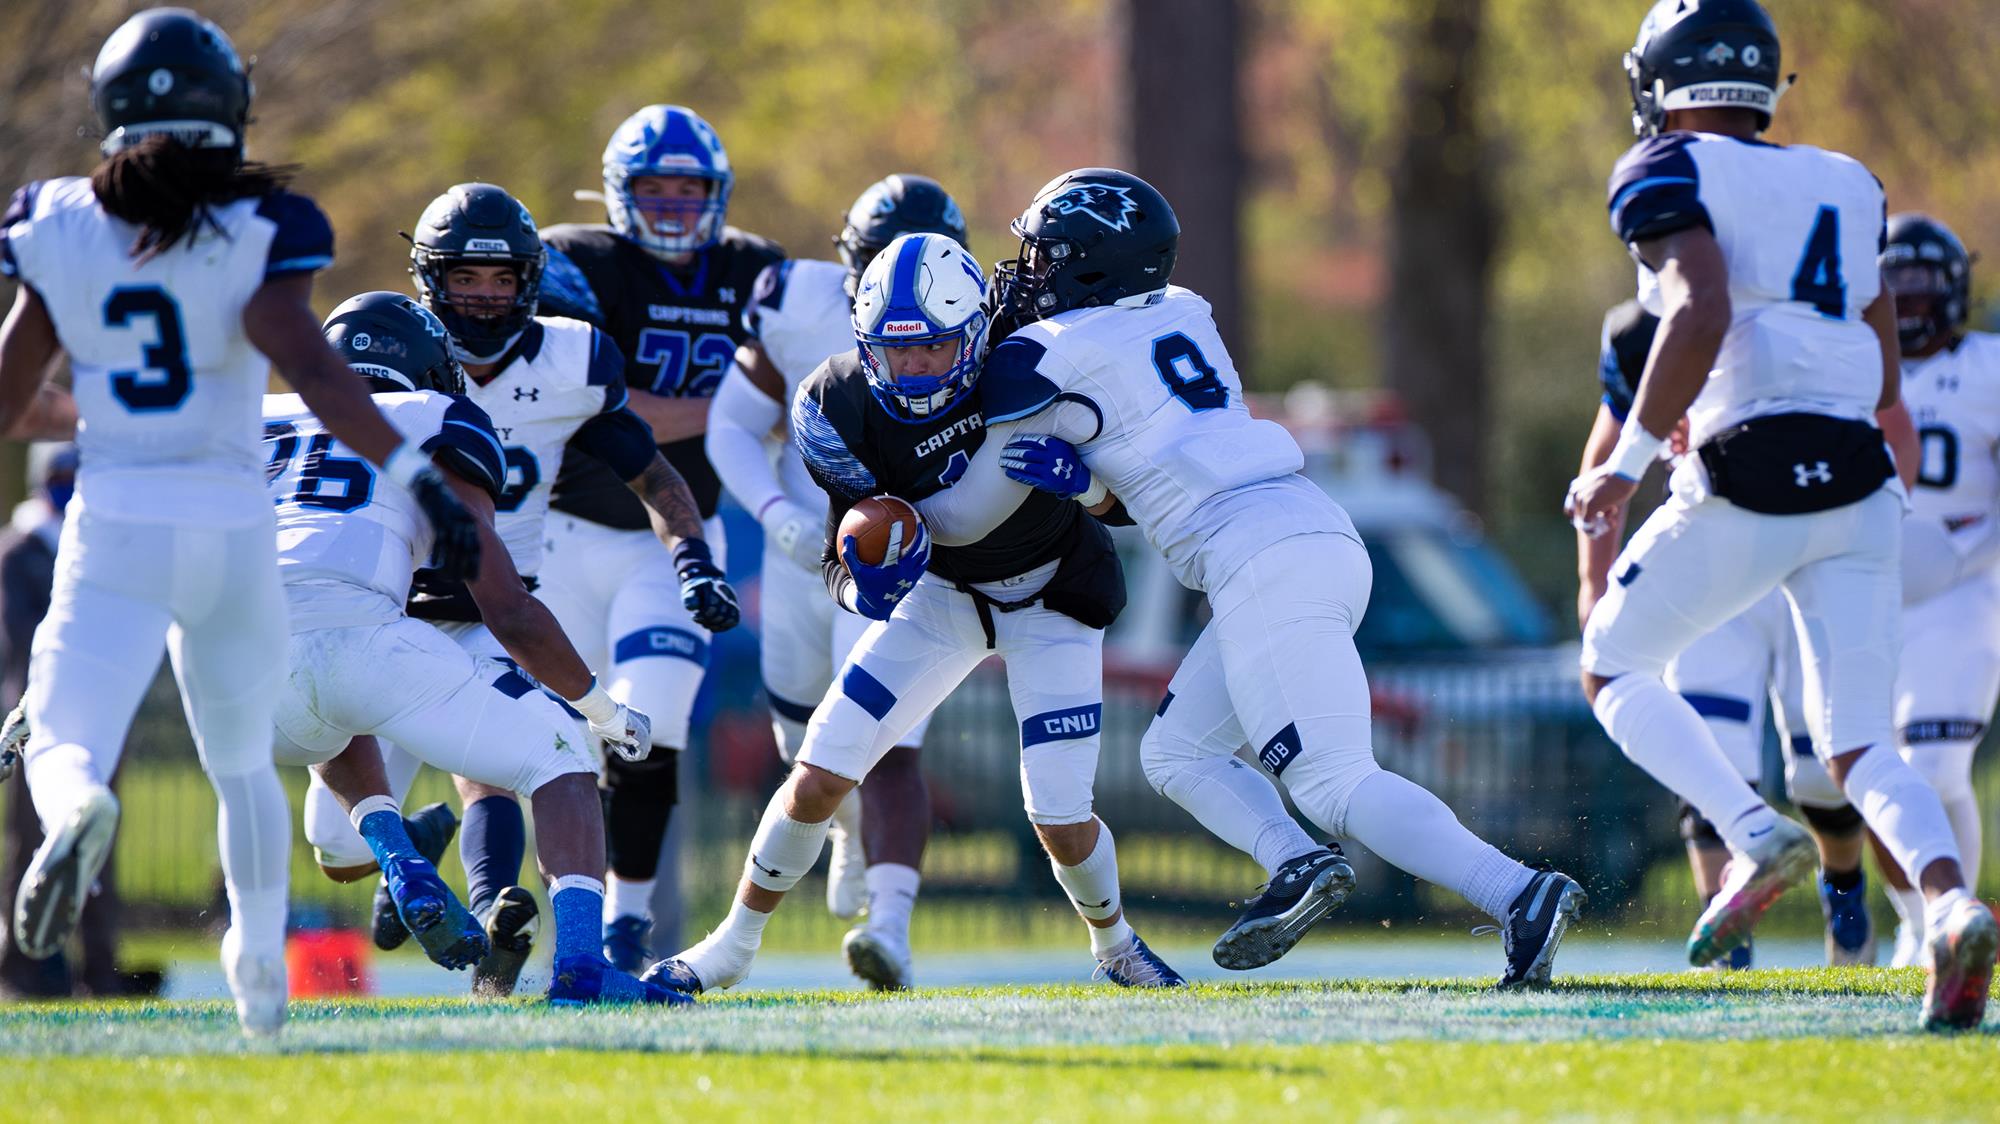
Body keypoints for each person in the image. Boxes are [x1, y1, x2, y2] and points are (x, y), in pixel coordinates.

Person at [904, 170, 1578, 988]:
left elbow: (967, 518)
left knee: (1332, 780)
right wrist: (1084, 489)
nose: (1026, 271)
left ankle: (1517, 893)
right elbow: (1153, 460)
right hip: (1302, 531)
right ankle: (1298, 863)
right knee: (1176, 753)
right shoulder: (1183, 309)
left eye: (1045, 256)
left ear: (1088, 265)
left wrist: (886, 512)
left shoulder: (1043, 355)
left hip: (1260, 554)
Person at [0, 8, 479, 1036]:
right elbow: (312, 369)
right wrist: (416, 475)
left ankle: (76, 803)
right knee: (239, 764)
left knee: (65, 728)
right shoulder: (258, 227)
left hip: (115, 515)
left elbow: (6, 394)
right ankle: (258, 971)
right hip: (225, 527)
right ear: (232, 109)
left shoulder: (58, 223)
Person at [1565, 0, 1993, 1029]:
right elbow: (1870, 309)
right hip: (1854, 476)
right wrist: (1885, 407)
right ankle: (1947, 902)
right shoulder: (1846, 179)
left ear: (1659, 74)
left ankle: (1752, 833)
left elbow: (1697, 306)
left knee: (1610, 665)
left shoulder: (1663, 165)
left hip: (1747, 467)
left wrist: (1623, 466)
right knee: (1859, 747)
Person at [648, 233, 1183, 993]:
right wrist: (859, 590)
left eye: (934, 347)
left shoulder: (1025, 365)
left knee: (1059, 815)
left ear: (970, 334)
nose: (918, 366)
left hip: (1052, 594)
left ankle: (1117, 946)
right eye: (900, 352)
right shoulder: (836, 403)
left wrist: (1090, 489)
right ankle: (730, 948)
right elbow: (844, 550)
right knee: (818, 773)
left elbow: (1131, 504)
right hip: (942, 595)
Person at [302, 184, 738, 997]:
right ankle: (416, 853)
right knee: (338, 853)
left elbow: (650, 471)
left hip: (487, 612)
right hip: (378, 613)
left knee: (549, 753)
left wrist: (690, 556)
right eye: (468, 277)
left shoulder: (572, 360)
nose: (488, 297)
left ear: (531, 281)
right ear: (429, 279)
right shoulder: (384, 348)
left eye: (504, 280)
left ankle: (570, 958)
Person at [705, 174, 967, 988]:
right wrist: (778, 512)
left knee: (885, 741)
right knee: (801, 745)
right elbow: (731, 426)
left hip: (900, 556)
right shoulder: (794, 305)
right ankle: (848, 832)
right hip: (802, 554)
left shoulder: (976, 320)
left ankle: (890, 927)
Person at [536, 105, 782, 970]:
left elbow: (808, 372)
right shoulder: (579, 261)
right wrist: (735, 416)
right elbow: (605, 401)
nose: (675, 205)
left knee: (653, 720)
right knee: (542, 733)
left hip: (674, 535)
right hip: (561, 532)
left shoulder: (755, 270)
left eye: (690, 189)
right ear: (618, 194)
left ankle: (624, 922)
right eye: (655, 188)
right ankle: (507, 903)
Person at [1578, 300, 1880, 969]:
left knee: (1820, 768)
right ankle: (1732, 937)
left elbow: (1885, 417)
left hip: (1804, 552)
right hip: (1710, 557)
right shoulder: (1644, 328)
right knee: (1712, 756)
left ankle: (1843, 888)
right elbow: (1604, 454)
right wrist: (1593, 585)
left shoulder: (1791, 311)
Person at [1874, 213, 2000, 966]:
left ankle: (1947, 928)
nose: (1911, 300)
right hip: (1866, 592)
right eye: (1897, 283)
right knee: (1869, 773)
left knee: (1935, 767)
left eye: (1923, 283)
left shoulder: (1989, 364)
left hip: (1963, 587)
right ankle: (1923, 924)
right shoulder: (1850, 366)